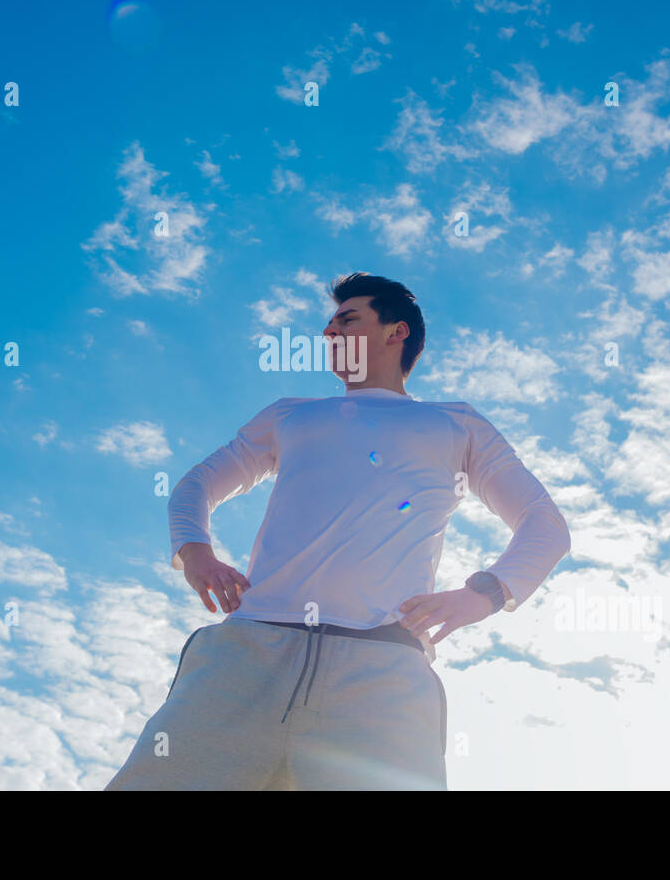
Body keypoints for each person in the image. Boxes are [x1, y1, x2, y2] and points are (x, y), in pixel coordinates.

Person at [105, 272, 571, 790]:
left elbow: (544, 524)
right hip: (246, 659)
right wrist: (196, 555)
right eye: (327, 325)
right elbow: (196, 484)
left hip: (381, 676)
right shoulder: (290, 415)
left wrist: (484, 593)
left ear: (396, 332)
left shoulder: (457, 425)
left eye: (347, 319)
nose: (328, 333)